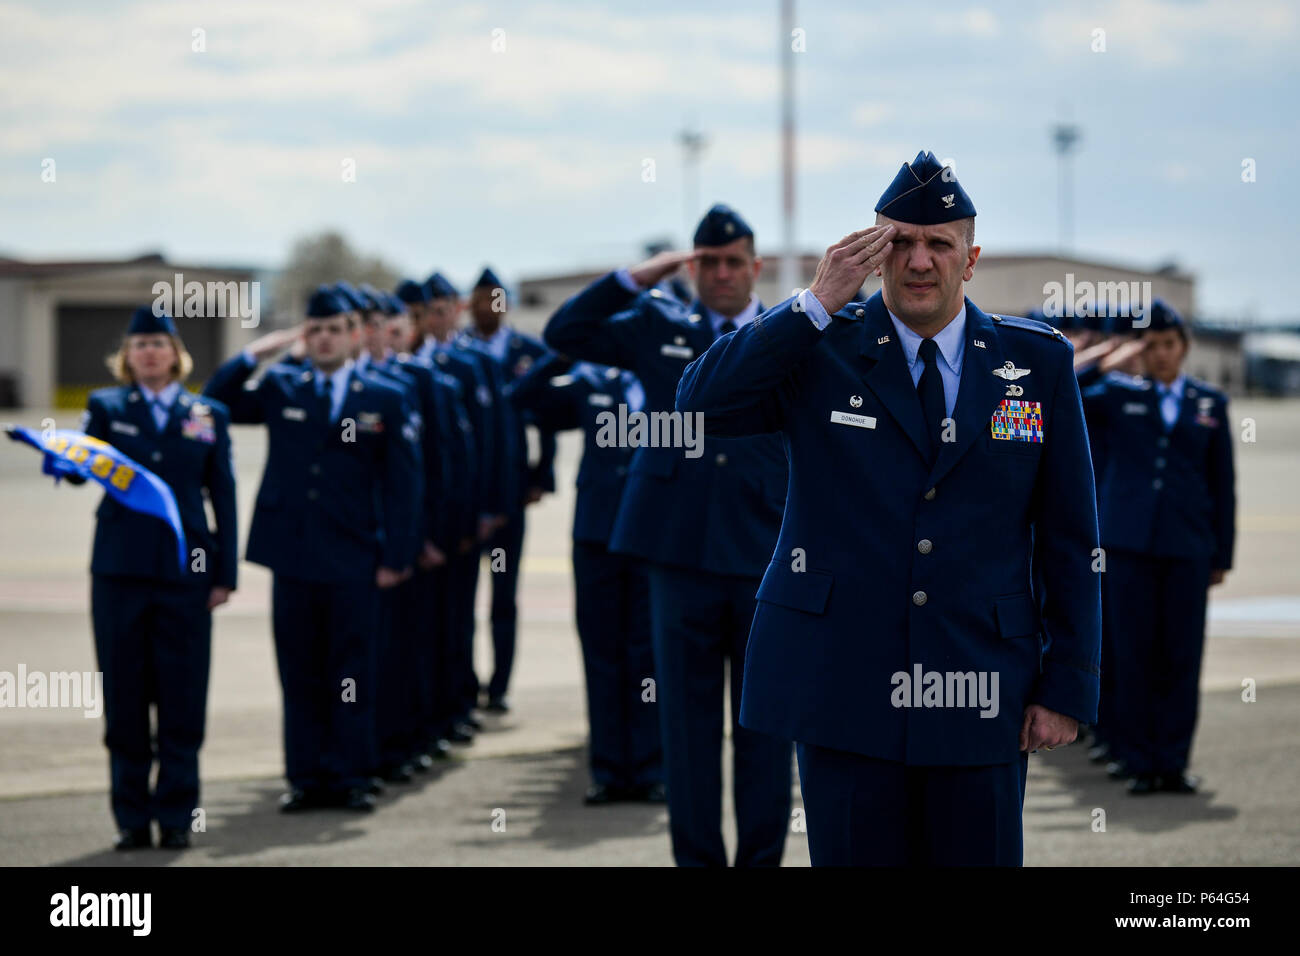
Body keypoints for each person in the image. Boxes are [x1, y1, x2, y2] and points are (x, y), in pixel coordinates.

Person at [676, 152, 1101, 866]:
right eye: (899, 242)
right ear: (872, 254)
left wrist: (1068, 686)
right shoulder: (818, 347)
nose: (920, 261)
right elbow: (697, 405)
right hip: (844, 689)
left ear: (971, 259)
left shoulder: (1036, 365)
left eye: (939, 244)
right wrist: (812, 303)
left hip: (980, 686)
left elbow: (1070, 536)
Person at [545, 205, 792, 867]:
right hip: (676, 551)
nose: (719, 274)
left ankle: (761, 861)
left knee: (766, 727)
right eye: (706, 262)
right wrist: (637, 275)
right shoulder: (659, 324)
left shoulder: (788, 333)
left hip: (765, 553)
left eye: (732, 261)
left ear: (755, 267)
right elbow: (565, 330)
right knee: (684, 729)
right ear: (691, 266)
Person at [204, 287, 419, 812]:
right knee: (299, 670)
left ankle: (351, 775)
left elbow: (404, 483)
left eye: (334, 329)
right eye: (315, 330)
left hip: (354, 554)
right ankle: (305, 777)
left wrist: (396, 556)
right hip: (294, 554)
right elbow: (215, 402)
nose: (324, 339)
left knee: (350, 671)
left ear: (354, 335)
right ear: (306, 336)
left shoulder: (383, 394)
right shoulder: (282, 385)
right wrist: (260, 350)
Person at [80, 306, 237, 850]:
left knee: (182, 697)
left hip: (186, 571)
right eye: (139, 343)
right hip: (119, 572)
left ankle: (176, 815)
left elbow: (224, 495)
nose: (148, 351)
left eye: (159, 342)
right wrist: (63, 457)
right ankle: (130, 818)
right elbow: (83, 467)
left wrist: (225, 573)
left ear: (176, 353)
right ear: (126, 355)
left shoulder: (206, 413)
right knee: (124, 698)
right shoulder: (106, 407)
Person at [1081, 301, 1235, 794]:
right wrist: (1113, 354)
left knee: (1181, 657)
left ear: (1185, 348)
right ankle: (1138, 760)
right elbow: (1067, 391)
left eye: (1170, 344)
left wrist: (1222, 555)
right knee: (1133, 654)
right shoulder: (1114, 395)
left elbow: (1222, 485)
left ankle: (1172, 762)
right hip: (1128, 546)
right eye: (1153, 345)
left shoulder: (1210, 403)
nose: (1163, 354)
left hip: (1187, 549)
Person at [507, 354, 663, 803]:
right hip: (597, 535)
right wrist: (563, 352)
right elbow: (521, 398)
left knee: (647, 655)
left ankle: (652, 769)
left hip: (653, 535)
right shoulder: (590, 378)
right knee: (602, 651)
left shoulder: (673, 371)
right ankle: (609, 769)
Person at [460, 267, 557, 713]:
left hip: (512, 493)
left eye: (496, 299)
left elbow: (549, 419)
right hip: (464, 496)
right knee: (460, 597)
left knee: (503, 593)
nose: (488, 308)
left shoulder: (529, 353)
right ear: (471, 304)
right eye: (481, 299)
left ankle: (499, 687)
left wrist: (541, 477)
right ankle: (463, 683)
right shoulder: (457, 352)